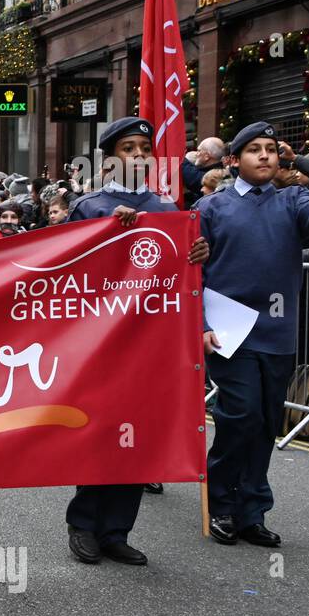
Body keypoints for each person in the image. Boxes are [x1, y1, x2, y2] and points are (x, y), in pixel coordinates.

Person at [61, 116, 210, 566]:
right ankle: (84, 524)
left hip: (150, 344)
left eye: (145, 149)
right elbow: (64, 270)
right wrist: (112, 232)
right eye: (129, 149)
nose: (139, 156)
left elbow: (180, 276)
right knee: (102, 430)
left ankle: (116, 530)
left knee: (137, 433)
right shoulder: (89, 206)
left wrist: (198, 253)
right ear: (110, 160)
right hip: (102, 342)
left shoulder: (167, 210)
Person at [200, 121, 309, 548]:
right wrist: (200, 325)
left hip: (279, 333)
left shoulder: (294, 201)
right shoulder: (212, 208)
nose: (265, 156)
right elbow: (190, 273)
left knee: (267, 424)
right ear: (233, 161)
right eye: (254, 149)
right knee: (241, 415)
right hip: (228, 333)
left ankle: (252, 511)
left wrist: (302, 161)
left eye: (272, 149)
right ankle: (221, 504)